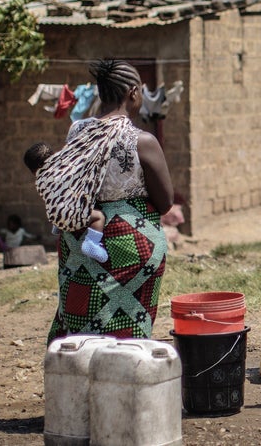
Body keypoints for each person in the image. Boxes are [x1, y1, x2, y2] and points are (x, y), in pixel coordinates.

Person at [35, 59, 174, 343]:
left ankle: (78, 365)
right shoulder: (142, 141)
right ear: (133, 92)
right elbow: (165, 202)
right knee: (127, 333)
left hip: (79, 238)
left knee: (80, 320)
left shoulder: (77, 131)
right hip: (130, 245)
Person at [24, 142, 106, 260]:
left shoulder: (39, 182)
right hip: (73, 214)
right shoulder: (65, 169)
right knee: (99, 216)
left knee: (57, 201)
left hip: (55, 217)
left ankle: (58, 224)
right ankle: (92, 243)